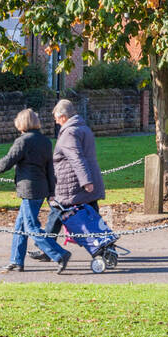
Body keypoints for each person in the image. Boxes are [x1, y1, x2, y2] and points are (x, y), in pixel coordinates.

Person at [0, 108, 71, 274]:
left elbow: (8, 161)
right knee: (20, 226)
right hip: (41, 189)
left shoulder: (23, 141)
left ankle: (60, 254)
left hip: (29, 190)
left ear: (22, 123)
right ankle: (16, 261)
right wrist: (52, 191)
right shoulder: (45, 141)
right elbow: (49, 168)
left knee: (31, 227)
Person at [40, 99, 106, 247]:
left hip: (72, 183)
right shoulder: (84, 128)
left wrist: (85, 181)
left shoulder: (69, 132)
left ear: (63, 117)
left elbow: (76, 158)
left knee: (57, 209)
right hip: (85, 178)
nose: (56, 122)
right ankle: (105, 243)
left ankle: (47, 248)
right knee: (92, 213)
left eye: (56, 119)